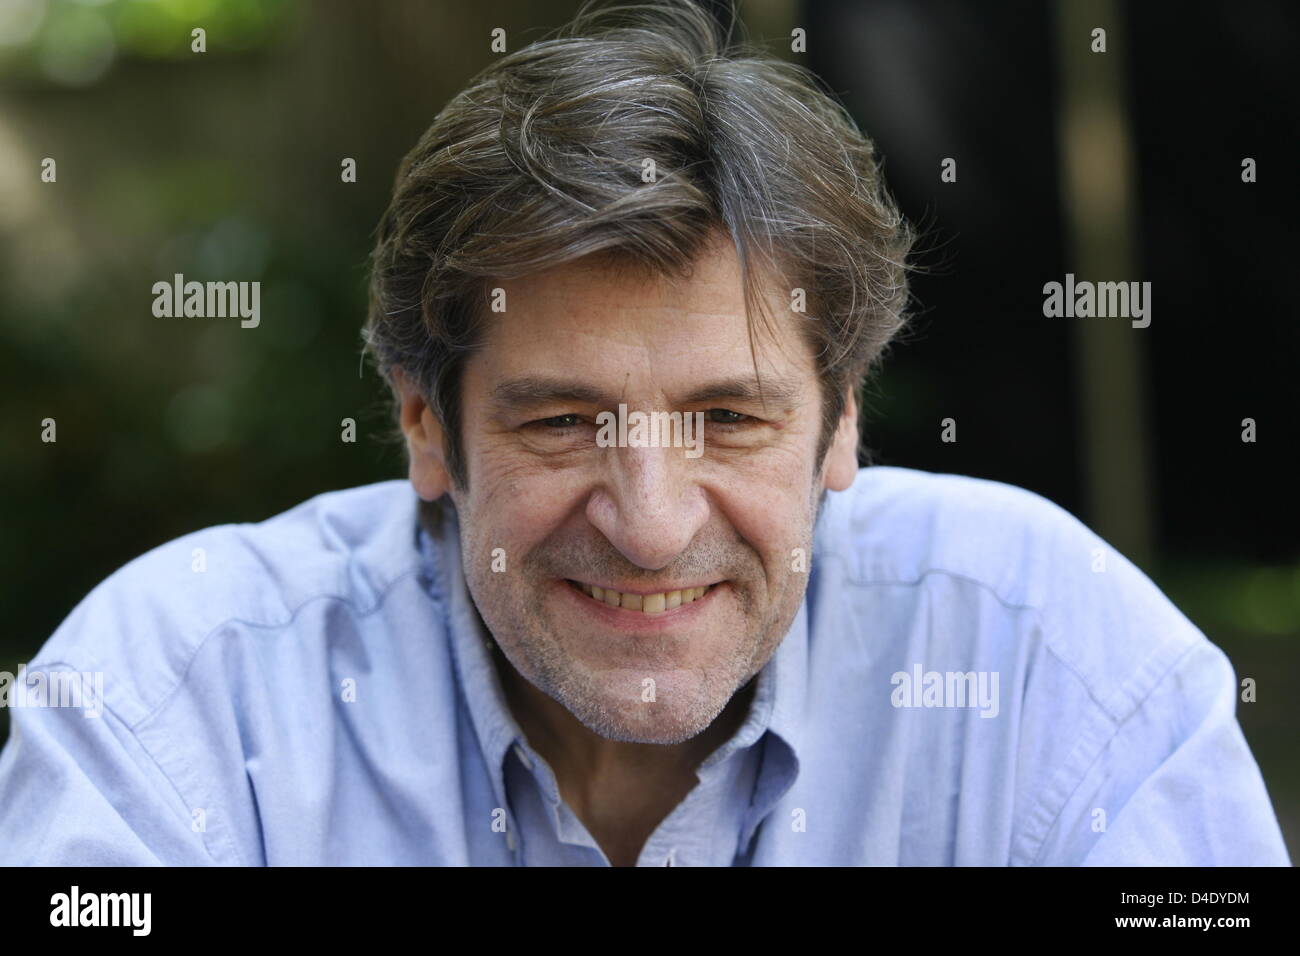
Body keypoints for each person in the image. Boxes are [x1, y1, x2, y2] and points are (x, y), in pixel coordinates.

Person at [0, 0, 1288, 866]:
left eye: (729, 420)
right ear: (422, 424)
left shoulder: (1062, 664)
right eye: (561, 421)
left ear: (843, 422)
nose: (654, 522)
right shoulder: (168, 702)